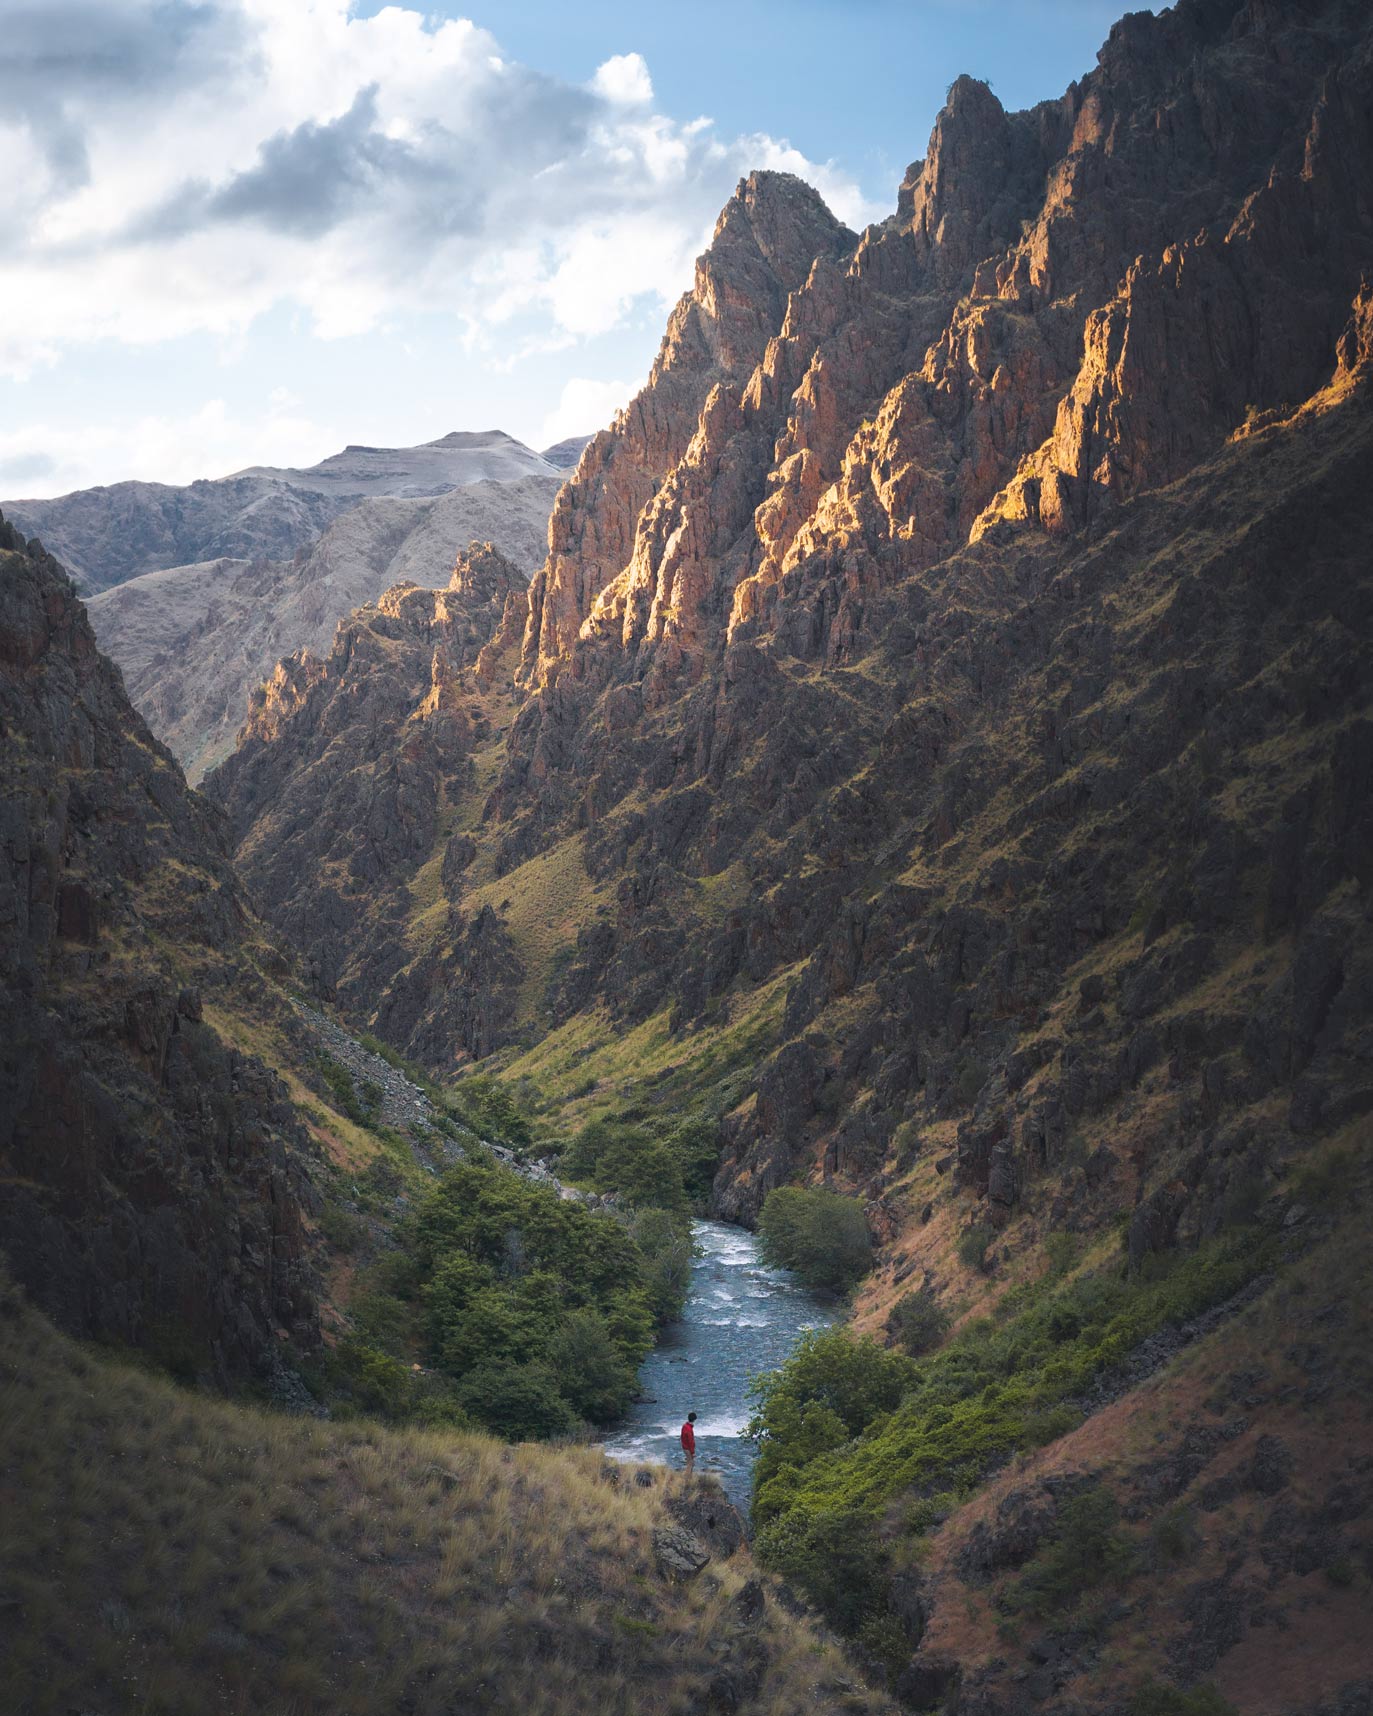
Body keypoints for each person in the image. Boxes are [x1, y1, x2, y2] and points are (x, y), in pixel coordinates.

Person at [680, 1411, 697, 1477]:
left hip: (684, 1447)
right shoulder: (689, 1429)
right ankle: (686, 1478)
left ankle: (688, 1477)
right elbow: (690, 1441)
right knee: (690, 1463)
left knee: (689, 1463)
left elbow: (682, 1437)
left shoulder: (684, 1426)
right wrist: (692, 1452)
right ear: (694, 1419)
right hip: (688, 1448)